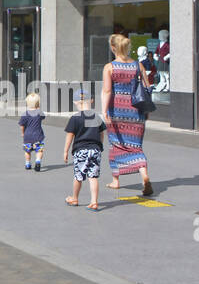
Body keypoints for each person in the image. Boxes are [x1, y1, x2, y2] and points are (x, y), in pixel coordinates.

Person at [103, 32, 154, 197]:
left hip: (116, 111)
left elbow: (107, 90)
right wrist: (145, 110)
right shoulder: (138, 66)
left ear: (113, 48)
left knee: (116, 144)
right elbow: (147, 88)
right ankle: (144, 175)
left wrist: (104, 111)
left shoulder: (110, 67)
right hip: (136, 111)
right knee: (136, 146)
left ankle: (116, 180)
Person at [64, 88, 105, 209]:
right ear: (91, 100)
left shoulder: (75, 118)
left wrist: (66, 151)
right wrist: (99, 145)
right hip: (95, 149)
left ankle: (75, 198)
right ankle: (94, 201)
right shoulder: (96, 117)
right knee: (93, 176)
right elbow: (102, 132)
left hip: (81, 150)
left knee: (78, 176)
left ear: (76, 102)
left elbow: (70, 135)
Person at [19, 90, 45, 172]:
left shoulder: (25, 114)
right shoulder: (39, 113)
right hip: (38, 136)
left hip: (27, 136)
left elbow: (22, 125)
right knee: (39, 150)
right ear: (38, 103)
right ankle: (38, 161)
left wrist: (22, 133)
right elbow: (43, 117)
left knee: (27, 151)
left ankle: (27, 164)